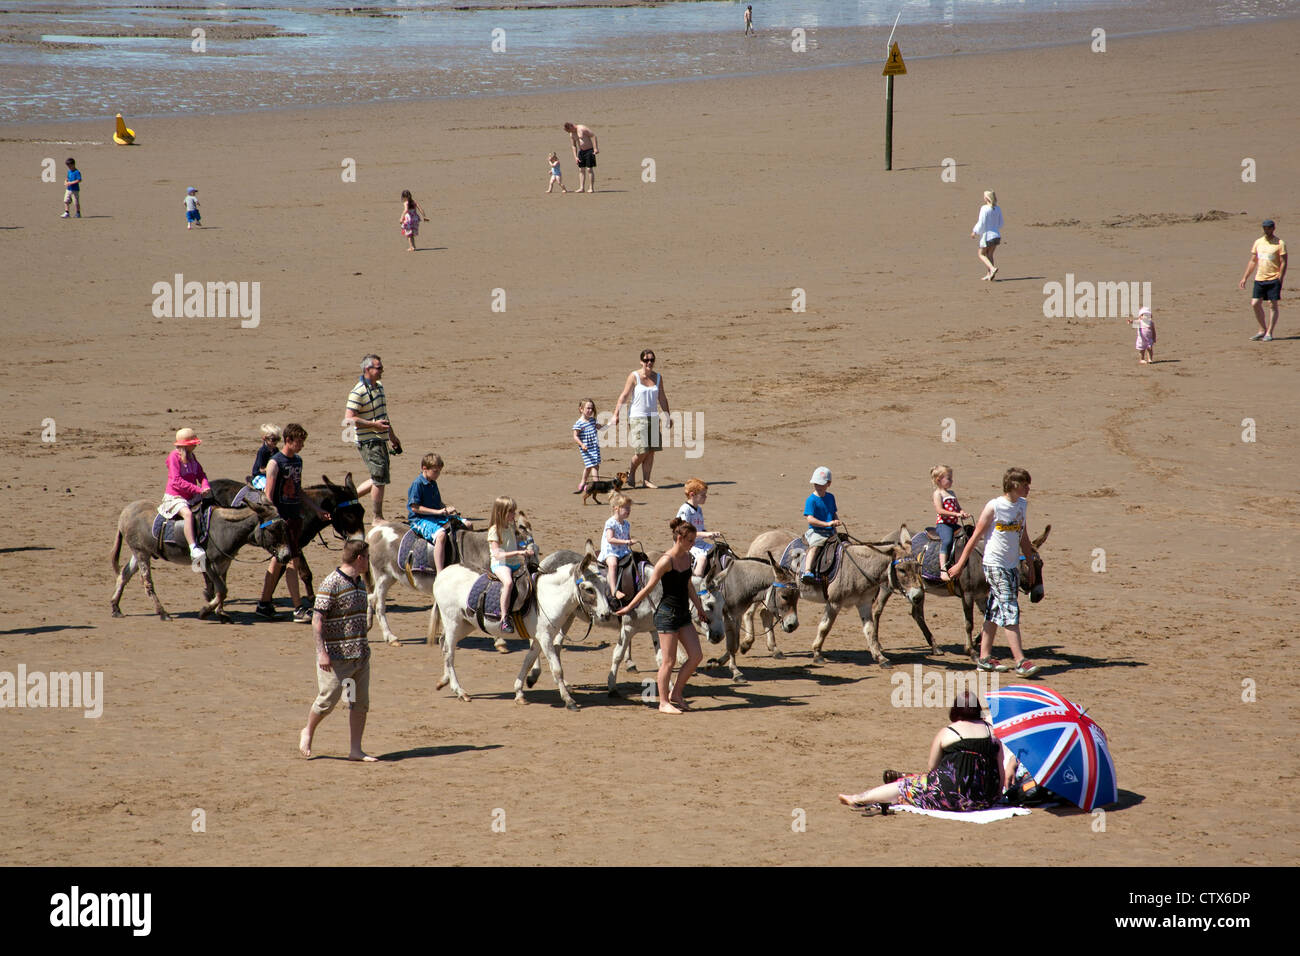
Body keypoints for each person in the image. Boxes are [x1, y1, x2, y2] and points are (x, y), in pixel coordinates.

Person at [837, 690, 1018, 814]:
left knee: (905, 786)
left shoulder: (949, 731)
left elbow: (932, 768)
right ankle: (907, 790)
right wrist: (996, 796)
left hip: (953, 796)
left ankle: (859, 798)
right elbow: (1000, 771)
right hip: (985, 798)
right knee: (920, 782)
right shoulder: (992, 732)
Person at [944, 467, 1042, 677]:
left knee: (994, 611)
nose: (1028, 488)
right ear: (1014, 485)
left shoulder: (1022, 505)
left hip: (1012, 565)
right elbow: (975, 537)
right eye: (1025, 484)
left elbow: (1023, 535)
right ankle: (1020, 661)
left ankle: (984, 658)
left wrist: (1031, 564)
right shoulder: (994, 506)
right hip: (994, 565)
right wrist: (960, 564)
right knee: (1010, 609)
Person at [616, 518, 708, 715]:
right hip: (667, 615)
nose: (693, 544)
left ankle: (676, 695)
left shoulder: (687, 557)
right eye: (690, 540)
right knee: (668, 661)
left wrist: (699, 608)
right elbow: (648, 588)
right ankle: (663, 702)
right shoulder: (666, 561)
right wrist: (629, 607)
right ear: (679, 538)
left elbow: (688, 585)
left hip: (683, 613)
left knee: (696, 656)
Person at [299, 539, 376, 762]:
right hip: (336, 658)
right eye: (368, 557)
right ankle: (308, 731)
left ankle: (355, 750)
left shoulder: (359, 583)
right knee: (328, 699)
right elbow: (317, 619)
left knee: (359, 703)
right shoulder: (331, 583)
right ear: (360, 558)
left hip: (360, 656)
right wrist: (322, 652)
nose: (369, 561)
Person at [256, 423, 330, 622]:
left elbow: (298, 490)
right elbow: (268, 495)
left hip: (295, 517)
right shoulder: (275, 463)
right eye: (299, 442)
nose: (302, 446)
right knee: (292, 561)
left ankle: (264, 603)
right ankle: (298, 608)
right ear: (288, 440)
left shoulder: (297, 461)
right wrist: (275, 520)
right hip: (282, 520)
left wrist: (317, 510)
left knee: (278, 561)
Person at [346, 355, 403, 520]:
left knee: (379, 476)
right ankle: (377, 517)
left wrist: (392, 436)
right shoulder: (358, 392)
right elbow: (349, 419)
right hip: (368, 441)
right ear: (367, 370)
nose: (381, 370)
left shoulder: (379, 387)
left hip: (380, 438)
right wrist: (374, 425)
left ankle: (348, 500)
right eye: (378, 367)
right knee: (379, 478)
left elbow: (383, 415)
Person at [609, 349, 671, 488]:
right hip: (637, 418)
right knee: (642, 450)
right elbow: (624, 396)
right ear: (641, 361)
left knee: (651, 450)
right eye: (646, 360)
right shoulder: (634, 376)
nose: (649, 362)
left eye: (652, 360)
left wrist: (667, 415)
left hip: (653, 417)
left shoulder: (658, 377)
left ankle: (646, 480)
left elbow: (662, 397)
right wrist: (616, 414)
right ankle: (631, 472)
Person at [158, 427, 211, 563]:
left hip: (191, 495)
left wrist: (205, 485)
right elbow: (177, 481)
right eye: (193, 444)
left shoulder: (192, 457)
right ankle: (193, 547)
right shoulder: (173, 457)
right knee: (187, 514)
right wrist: (198, 490)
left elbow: (201, 474)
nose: (195, 446)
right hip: (176, 497)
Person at [487, 496, 534, 634]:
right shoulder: (494, 530)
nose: (514, 514)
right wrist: (519, 552)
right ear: (501, 513)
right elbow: (497, 554)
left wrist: (526, 547)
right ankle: (504, 618)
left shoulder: (511, 526)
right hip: (500, 564)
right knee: (508, 583)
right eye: (511, 512)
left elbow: (515, 542)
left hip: (514, 563)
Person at [407, 453, 459, 574]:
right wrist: (438, 512)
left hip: (436, 516)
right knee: (441, 535)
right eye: (435, 471)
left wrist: (446, 508)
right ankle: (440, 572)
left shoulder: (433, 482)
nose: (438, 475)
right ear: (424, 468)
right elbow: (414, 507)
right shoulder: (417, 484)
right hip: (419, 520)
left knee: (466, 524)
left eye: (439, 472)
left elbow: (437, 503)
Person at [1238, 219, 1286, 341]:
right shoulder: (1258, 242)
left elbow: (1283, 262)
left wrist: (1280, 278)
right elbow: (1253, 261)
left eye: (1269, 228)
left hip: (1273, 278)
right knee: (1255, 303)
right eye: (1265, 228)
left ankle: (1269, 332)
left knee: (1272, 305)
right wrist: (1245, 277)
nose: (1266, 230)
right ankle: (1262, 330)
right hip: (1259, 278)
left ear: (1273, 228)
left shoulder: (1280, 243)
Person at [802, 466, 843, 582]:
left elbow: (833, 512)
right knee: (815, 546)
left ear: (828, 484)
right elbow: (810, 519)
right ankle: (808, 571)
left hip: (830, 531)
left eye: (821, 484)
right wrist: (827, 524)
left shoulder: (830, 497)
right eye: (816, 484)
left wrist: (836, 521)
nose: (818, 486)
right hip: (816, 532)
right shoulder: (811, 500)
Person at [930, 464, 971, 576]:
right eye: (949, 478)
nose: (951, 481)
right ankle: (943, 568)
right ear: (939, 480)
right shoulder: (937, 494)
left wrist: (962, 513)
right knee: (947, 541)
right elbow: (939, 510)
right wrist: (955, 514)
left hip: (954, 524)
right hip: (943, 524)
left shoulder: (952, 493)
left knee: (969, 536)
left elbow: (958, 507)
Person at [676, 478, 719, 576]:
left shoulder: (698, 509)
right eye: (703, 495)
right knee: (702, 559)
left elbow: (701, 530)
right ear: (692, 495)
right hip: (686, 544)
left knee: (719, 550)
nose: (705, 497)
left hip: (699, 543)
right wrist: (706, 534)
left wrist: (709, 534)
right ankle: (697, 585)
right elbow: (686, 532)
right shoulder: (685, 510)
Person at [598, 493, 637, 599]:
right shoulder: (610, 523)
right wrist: (626, 542)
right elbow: (610, 539)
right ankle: (614, 590)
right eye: (626, 508)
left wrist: (630, 542)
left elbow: (627, 537)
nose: (629, 511)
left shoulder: (627, 524)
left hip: (623, 550)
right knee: (613, 564)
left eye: (629, 508)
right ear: (616, 508)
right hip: (611, 551)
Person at [573, 398, 604, 493]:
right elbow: (575, 436)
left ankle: (583, 483)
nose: (590, 410)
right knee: (593, 465)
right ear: (581, 409)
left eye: (592, 408)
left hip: (594, 447)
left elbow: (601, 427)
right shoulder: (579, 423)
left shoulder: (592, 420)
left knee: (590, 466)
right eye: (588, 408)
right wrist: (582, 445)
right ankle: (596, 484)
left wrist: (611, 424)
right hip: (586, 448)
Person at [971, 189, 1002, 280]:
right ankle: (989, 274)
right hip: (996, 235)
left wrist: (975, 231)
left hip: (988, 236)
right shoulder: (998, 208)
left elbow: (981, 223)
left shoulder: (984, 208)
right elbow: (1001, 223)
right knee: (990, 255)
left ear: (987, 198)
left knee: (981, 254)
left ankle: (992, 269)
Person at [563, 122, 599, 193]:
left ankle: (591, 188)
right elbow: (573, 146)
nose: (570, 132)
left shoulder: (582, 128)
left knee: (589, 169)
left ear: (571, 126)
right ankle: (581, 188)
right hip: (581, 152)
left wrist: (595, 148)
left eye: (570, 130)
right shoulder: (572, 134)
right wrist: (575, 157)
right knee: (581, 170)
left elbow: (593, 136)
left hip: (589, 150)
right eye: (568, 132)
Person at [249, 423, 281, 491]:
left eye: (278, 439)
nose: (276, 442)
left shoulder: (276, 450)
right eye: (273, 439)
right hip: (260, 476)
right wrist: (272, 469)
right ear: (264, 438)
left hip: (270, 474)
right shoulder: (262, 451)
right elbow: (261, 469)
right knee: (267, 488)